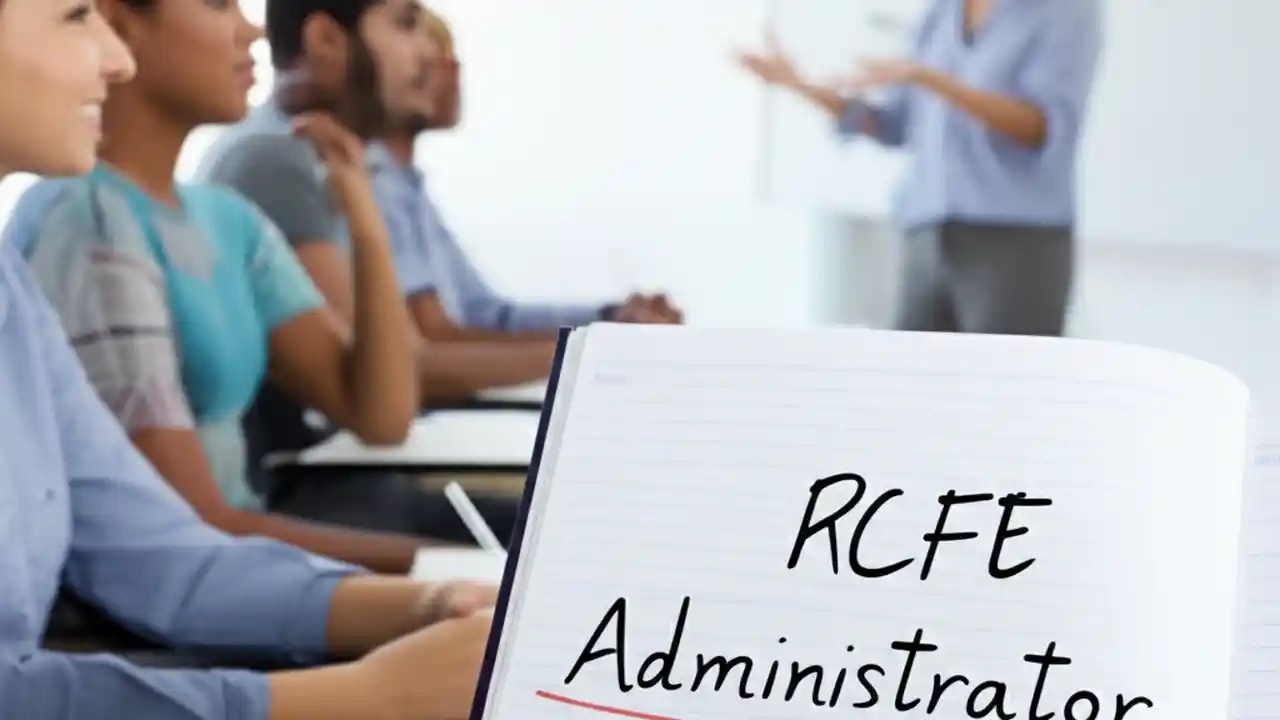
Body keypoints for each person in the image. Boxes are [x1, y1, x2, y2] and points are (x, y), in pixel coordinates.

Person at [0, 0, 495, 716]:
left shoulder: (13, 295)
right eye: (76, 15)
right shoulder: (90, 220)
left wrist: (432, 600)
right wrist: (369, 697)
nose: (117, 60)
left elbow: (157, 551)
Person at [7, 0, 438, 575]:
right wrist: (448, 568)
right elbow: (190, 528)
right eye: (217, 3)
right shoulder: (92, 221)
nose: (252, 27)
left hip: (239, 565)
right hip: (191, 583)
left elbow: (381, 416)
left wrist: (365, 220)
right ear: (123, 22)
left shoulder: (226, 218)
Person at [193, 0, 532, 544]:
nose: (429, 52)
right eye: (405, 24)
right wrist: (579, 358)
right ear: (326, 39)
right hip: (313, 493)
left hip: (343, 478)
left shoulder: (325, 158)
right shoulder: (279, 159)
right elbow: (395, 379)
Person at [738, 0, 1102, 337]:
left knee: (1003, 380)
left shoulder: (1065, 9)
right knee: (913, 378)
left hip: (1014, 241)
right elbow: (895, 125)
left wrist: (933, 80)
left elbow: (1040, 127)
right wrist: (802, 86)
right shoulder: (942, 11)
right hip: (926, 235)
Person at [371, 8, 683, 347]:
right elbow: (434, 340)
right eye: (434, 51)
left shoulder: (411, 191)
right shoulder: (377, 183)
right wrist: (599, 345)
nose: (450, 69)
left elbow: (489, 316)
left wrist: (610, 319)